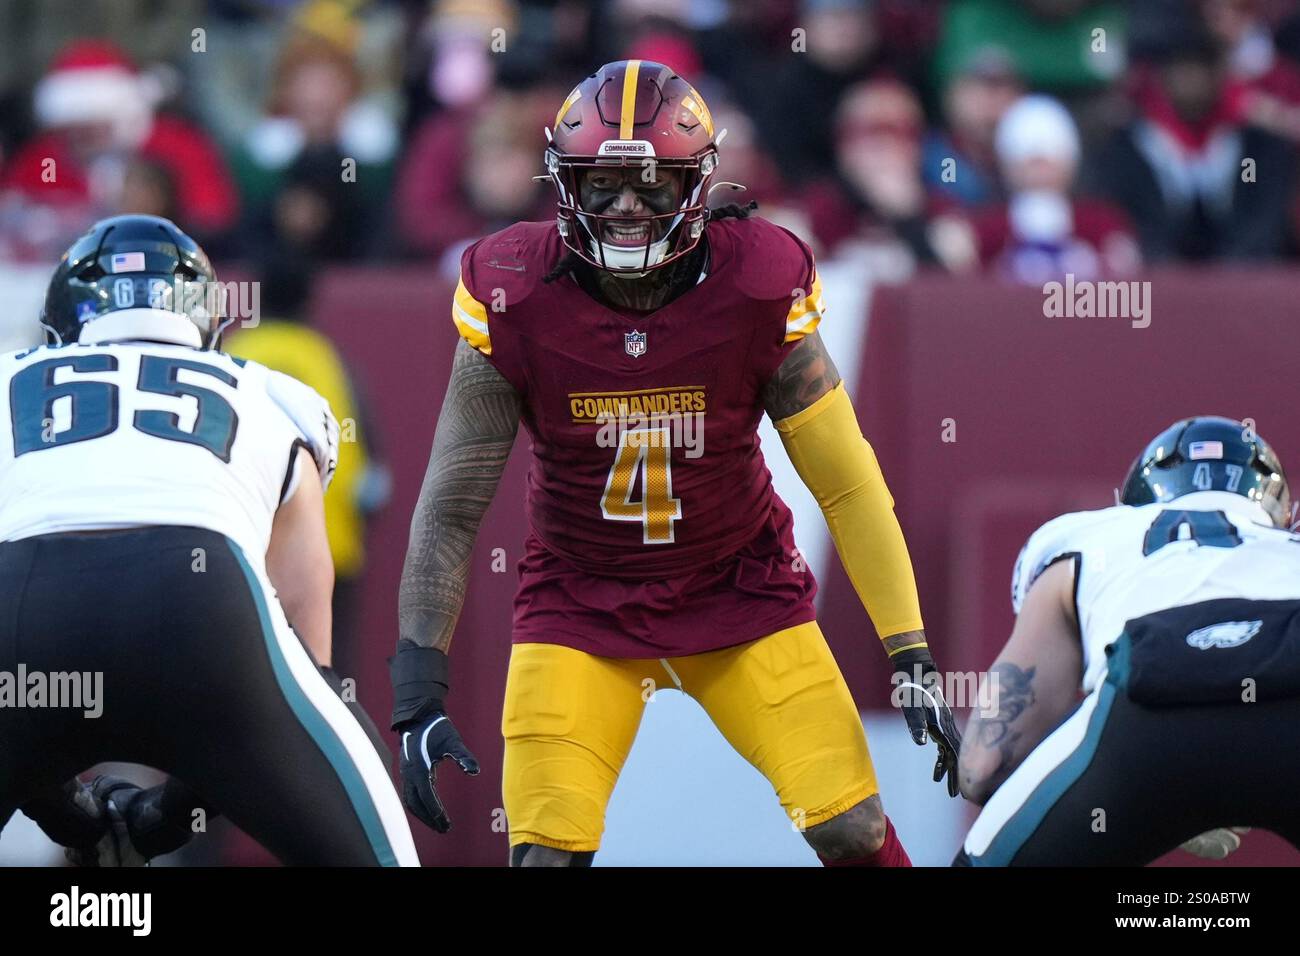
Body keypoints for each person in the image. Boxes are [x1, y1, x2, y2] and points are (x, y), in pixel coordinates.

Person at [392, 60, 960, 867]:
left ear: (698, 183)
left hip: (741, 592)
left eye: (653, 185)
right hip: (579, 604)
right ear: (563, 183)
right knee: (544, 858)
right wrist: (418, 687)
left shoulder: (756, 280)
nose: (626, 207)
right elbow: (451, 504)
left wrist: (909, 650)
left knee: (854, 830)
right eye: (602, 184)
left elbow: (846, 480)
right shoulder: (512, 289)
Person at [0, 215, 417, 867]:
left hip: (22, 604)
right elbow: (306, 652)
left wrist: (61, 807)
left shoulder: (8, 377)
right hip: (200, 607)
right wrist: (171, 814)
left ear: (62, 322)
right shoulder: (271, 394)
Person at [957, 416, 1300, 865]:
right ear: (1286, 515)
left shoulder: (1089, 537)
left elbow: (984, 766)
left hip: (1144, 707)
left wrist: (1166, 791)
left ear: (1125, 503)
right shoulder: (1287, 546)